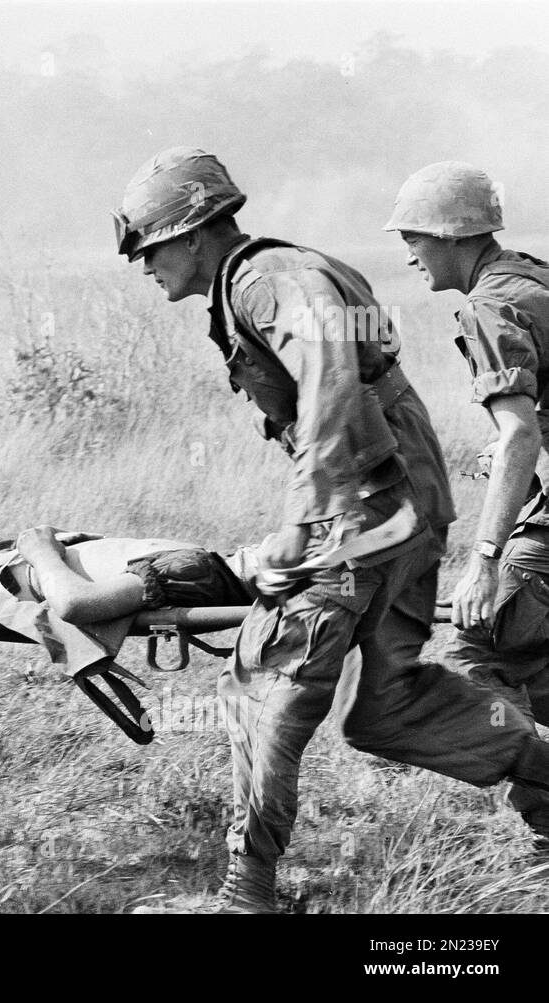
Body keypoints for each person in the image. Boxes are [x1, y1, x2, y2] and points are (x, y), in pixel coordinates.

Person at [111, 147, 549, 912]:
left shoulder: (267, 279)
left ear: (193, 234)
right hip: (402, 501)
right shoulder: (266, 279)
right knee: (389, 708)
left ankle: (247, 895)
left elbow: (331, 393)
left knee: (264, 682)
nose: (146, 266)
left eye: (150, 248)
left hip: (366, 512)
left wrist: (300, 528)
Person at [385, 161, 549, 849]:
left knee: (472, 653)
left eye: (415, 238)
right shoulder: (534, 277)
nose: (409, 254)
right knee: (534, 659)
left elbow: (519, 430)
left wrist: (483, 559)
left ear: (451, 238)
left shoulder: (488, 306)